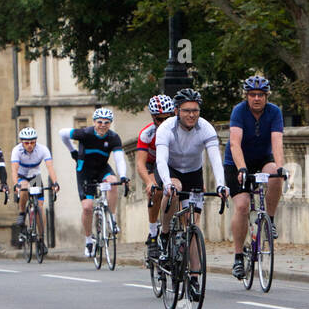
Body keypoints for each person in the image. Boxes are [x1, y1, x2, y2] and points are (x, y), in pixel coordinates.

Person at [154, 88, 229, 287]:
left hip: (194, 173)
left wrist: (221, 185)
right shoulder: (166, 129)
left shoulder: (206, 128)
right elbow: (161, 160)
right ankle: (165, 232)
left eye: (195, 110)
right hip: (171, 170)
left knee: (193, 225)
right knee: (175, 189)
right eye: (187, 110)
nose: (191, 115)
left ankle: (194, 277)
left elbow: (215, 159)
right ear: (177, 111)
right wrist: (167, 183)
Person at [225, 75, 285, 279]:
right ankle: (238, 257)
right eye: (252, 95)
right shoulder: (239, 111)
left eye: (260, 95)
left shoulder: (274, 112)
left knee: (276, 176)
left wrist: (280, 167)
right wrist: (241, 169)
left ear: (266, 96)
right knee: (242, 206)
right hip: (236, 162)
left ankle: (270, 219)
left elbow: (277, 142)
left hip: (261, 159)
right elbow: (235, 143)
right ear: (247, 96)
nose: (256, 98)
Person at [59, 108, 128, 258]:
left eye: (106, 123)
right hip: (85, 171)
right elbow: (62, 133)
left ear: (110, 124)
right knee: (87, 207)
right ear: (94, 122)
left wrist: (123, 176)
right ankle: (89, 240)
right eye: (99, 122)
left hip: (102, 168)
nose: (103, 125)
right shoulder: (85, 133)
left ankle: (112, 220)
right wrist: (72, 151)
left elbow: (119, 158)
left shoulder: (113, 137)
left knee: (113, 182)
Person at [135, 94, 176, 262]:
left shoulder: (178, 129)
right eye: (160, 119)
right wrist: (149, 182)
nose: (164, 123)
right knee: (157, 191)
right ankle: (153, 234)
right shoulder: (147, 133)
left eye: (169, 118)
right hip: (153, 165)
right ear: (153, 118)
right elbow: (140, 163)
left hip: (173, 163)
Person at [10, 127, 59, 247]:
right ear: (22, 142)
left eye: (32, 142)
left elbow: (50, 167)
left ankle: (41, 239)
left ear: (36, 141)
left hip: (35, 177)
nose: (29, 145)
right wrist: (16, 184)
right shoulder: (16, 150)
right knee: (25, 188)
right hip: (22, 176)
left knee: (40, 209)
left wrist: (55, 182)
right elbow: (14, 169)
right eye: (26, 143)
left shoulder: (42, 149)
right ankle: (22, 213)